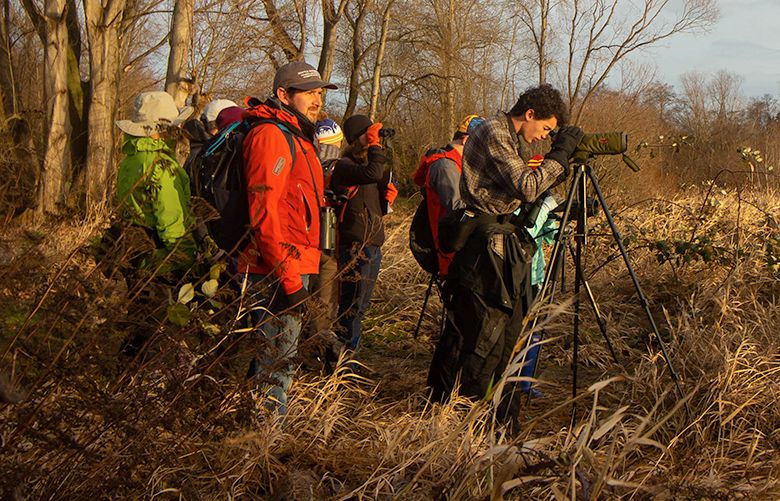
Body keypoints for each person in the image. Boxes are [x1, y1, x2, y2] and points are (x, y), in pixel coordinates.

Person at [427, 84, 583, 429]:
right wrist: (560, 156)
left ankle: (500, 421)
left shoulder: (511, 139)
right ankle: (467, 425)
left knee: (506, 338)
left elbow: (528, 187)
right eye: (545, 128)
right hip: (485, 254)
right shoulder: (494, 132)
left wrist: (559, 160)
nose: (544, 137)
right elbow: (527, 187)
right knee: (484, 340)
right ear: (529, 114)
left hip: (501, 249)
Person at [238, 61, 336, 416]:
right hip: (274, 271)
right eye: (309, 93)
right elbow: (265, 215)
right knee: (277, 368)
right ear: (283, 95)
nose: (317, 101)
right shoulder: (271, 137)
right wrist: (290, 280)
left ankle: (248, 430)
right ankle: (264, 445)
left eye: (320, 93)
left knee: (276, 358)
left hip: (294, 265)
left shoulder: (298, 136)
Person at [115, 90, 196, 274]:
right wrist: (188, 259)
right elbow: (171, 221)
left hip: (134, 256)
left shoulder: (132, 159)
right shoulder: (161, 166)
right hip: (158, 262)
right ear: (163, 129)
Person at [330, 114, 390, 354]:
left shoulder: (366, 166)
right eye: (368, 133)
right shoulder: (344, 166)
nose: (373, 137)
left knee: (361, 306)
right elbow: (373, 174)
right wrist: (376, 147)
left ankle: (347, 355)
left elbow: (379, 178)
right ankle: (342, 359)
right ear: (357, 138)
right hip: (355, 244)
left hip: (373, 242)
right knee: (351, 306)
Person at [412, 114, 483, 277]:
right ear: (466, 141)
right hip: (452, 253)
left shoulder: (455, 165)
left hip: (459, 252)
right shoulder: (445, 166)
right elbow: (460, 210)